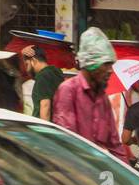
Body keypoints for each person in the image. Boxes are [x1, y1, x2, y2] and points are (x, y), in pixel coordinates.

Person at [52, 27, 125, 159]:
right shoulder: (69, 90)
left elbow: (115, 145)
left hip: (98, 172)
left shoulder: (102, 98)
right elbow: (69, 142)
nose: (110, 71)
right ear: (92, 63)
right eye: (106, 64)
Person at [21, 46, 65, 120]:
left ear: (33, 61)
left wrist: (43, 129)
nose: (27, 70)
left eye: (27, 64)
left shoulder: (42, 76)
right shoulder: (56, 72)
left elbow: (45, 105)